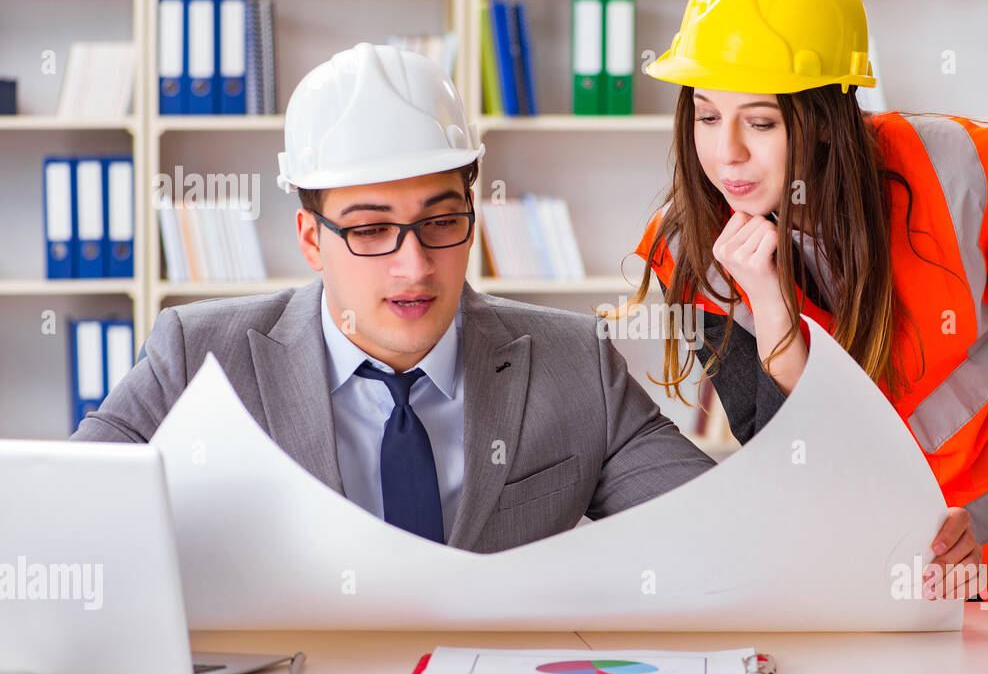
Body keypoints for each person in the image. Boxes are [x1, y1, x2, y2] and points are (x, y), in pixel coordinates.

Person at [627, 0, 988, 601]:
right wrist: (768, 300)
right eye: (706, 116)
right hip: (868, 582)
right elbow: (784, 452)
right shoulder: (696, 254)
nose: (725, 151)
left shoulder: (942, 167)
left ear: (822, 119)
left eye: (759, 121)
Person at [71, 42, 714, 552]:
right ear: (311, 239)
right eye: (371, 229)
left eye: (440, 222)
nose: (415, 266)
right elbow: (60, 517)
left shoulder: (575, 362)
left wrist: (776, 328)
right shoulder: (197, 358)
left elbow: (719, 533)